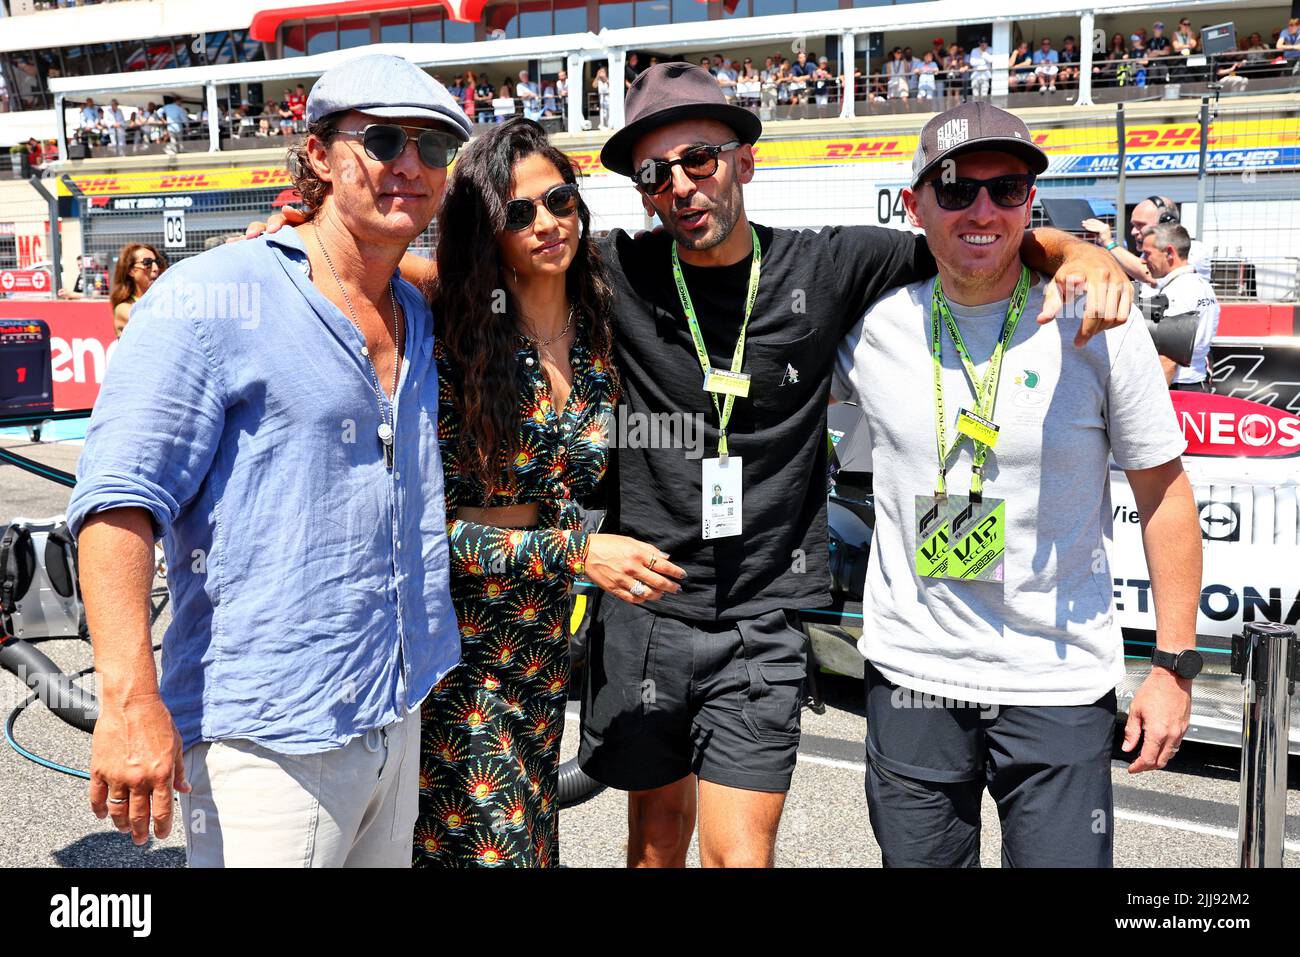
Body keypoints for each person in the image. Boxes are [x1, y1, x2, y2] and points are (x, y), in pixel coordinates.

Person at [580, 63, 1130, 868]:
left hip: (759, 618)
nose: (681, 187)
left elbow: (973, 235)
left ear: (744, 160)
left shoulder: (828, 265)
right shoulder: (614, 271)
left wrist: (1077, 249)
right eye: (654, 173)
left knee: (739, 855)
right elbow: (466, 273)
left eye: (700, 160)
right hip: (647, 606)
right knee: (655, 845)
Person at [67, 53, 471, 867]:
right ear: (319, 156)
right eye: (383, 139)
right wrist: (128, 699)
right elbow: (117, 501)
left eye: (432, 148)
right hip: (268, 734)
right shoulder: (209, 298)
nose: (409, 164)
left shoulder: (421, 313)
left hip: (398, 705)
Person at [834, 101, 1201, 868]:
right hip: (913, 674)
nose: (983, 209)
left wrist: (1173, 666)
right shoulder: (871, 323)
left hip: (1057, 678)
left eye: (1008, 189)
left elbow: (1165, 494)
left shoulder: (1102, 322)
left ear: (1031, 200)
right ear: (915, 203)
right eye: (957, 188)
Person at [412, 118, 679, 867]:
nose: (546, 224)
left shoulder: (598, 323)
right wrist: (577, 551)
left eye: (559, 200)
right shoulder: (450, 338)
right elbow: (422, 531)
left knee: (532, 848)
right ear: (485, 230)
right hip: (456, 653)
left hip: (542, 650)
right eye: (518, 213)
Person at [1139, 223, 1220, 390]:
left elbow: (1168, 361)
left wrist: (1153, 400)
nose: (1142, 260)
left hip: (1176, 387)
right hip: (1196, 384)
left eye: (1147, 254)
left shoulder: (1178, 292)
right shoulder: (1203, 285)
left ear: (1169, 252)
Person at [1083, 195, 1211, 283]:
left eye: (1140, 225)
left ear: (1166, 223)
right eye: (1133, 225)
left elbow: (1147, 275)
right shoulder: (1147, 255)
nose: (1133, 231)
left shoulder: (1194, 249)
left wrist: (1108, 243)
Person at [108, 243, 166, 337]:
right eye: (147, 263)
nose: (156, 268)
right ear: (131, 271)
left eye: (158, 262)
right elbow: (156, 328)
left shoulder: (162, 300)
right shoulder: (123, 308)